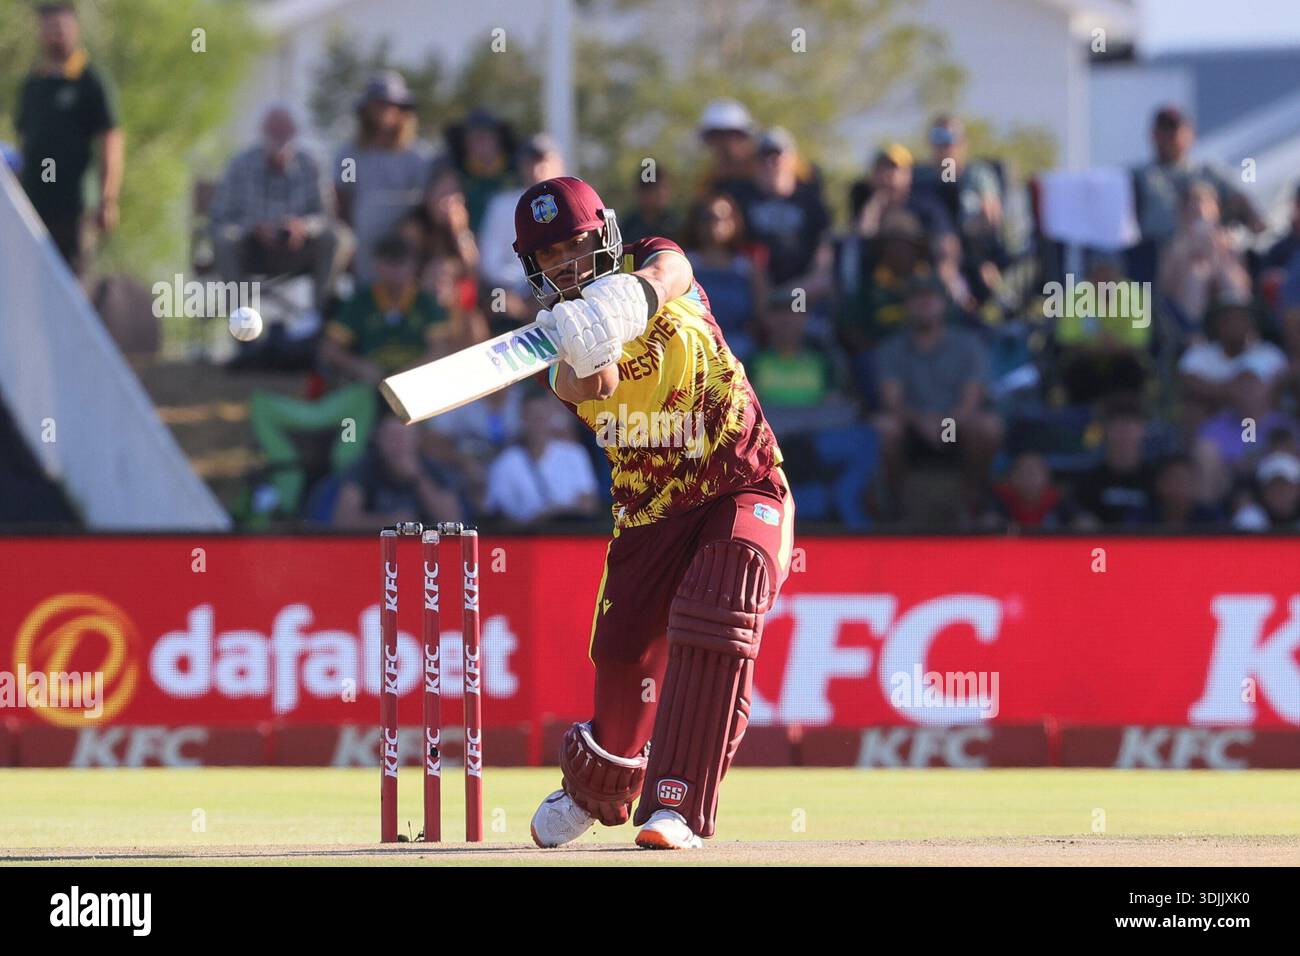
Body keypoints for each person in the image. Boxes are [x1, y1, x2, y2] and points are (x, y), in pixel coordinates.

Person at [509, 176, 792, 850]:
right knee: (621, 656)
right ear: (535, 269)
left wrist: (619, 302)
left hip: (739, 482)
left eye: (579, 244)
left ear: (604, 233)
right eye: (552, 258)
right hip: (647, 517)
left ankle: (678, 806)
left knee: (717, 616)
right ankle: (599, 782)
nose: (570, 264)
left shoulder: (652, 259)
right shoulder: (555, 344)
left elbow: (673, 271)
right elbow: (590, 384)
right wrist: (580, 340)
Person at [209, 105, 352, 312]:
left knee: (337, 237)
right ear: (262, 133)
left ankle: (321, 321)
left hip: (299, 250)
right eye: (274, 131)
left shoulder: (312, 164)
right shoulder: (240, 164)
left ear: (295, 134)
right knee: (223, 241)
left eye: (285, 132)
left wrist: (303, 227)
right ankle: (243, 326)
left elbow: (325, 216)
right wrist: (255, 229)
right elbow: (219, 218)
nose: (280, 138)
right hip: (252, 251)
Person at [15, 2, 123, 276]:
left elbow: (110, 141)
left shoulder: (90, 82)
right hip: (34, 205)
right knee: (33, 281)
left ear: (75, 30)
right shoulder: (33, 84)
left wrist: (107, 198)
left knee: (74, 283)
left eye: (61, 27)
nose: (56, 34)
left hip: (76, 207)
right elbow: (26, 141)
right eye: (50, 28)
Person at [334, 71, 434, 283]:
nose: (383, 111)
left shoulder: (418, 157)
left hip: (403, 241)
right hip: (363, 241)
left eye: (389, 105)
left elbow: (426, 206)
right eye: (378, 105)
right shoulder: (350, 155)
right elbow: (342, 200)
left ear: (401, 110)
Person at [483, 392, 600, 524]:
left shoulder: (575, 454)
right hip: (525, 539)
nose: (538, 422)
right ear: (522, 419)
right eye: (533, 416)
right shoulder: (505, 462)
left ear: (551, 417)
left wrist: (556, 512)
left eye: (542, 416)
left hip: (570, 535)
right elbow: (499, 514)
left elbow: (590, 504)